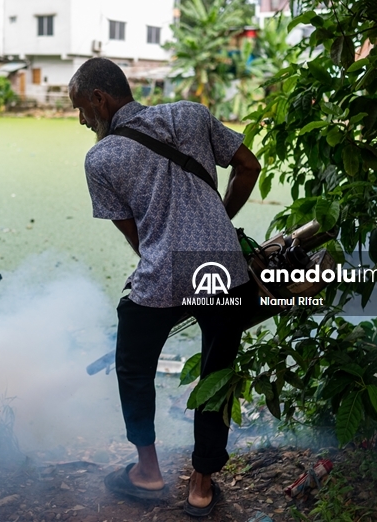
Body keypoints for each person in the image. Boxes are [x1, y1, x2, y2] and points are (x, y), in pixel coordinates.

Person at [68, 58, 261, 517]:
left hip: (163, 277)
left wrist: (172, 251)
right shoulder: (191, 114)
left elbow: (139, 239)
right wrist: (218, 222)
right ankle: (201, 486)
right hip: (225, 270)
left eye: (80, 109)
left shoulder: (100, 159)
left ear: (100, 99)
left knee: (134, 366)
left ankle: (148, 471)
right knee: (216, 373)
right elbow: (249, 167)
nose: (81, 120)